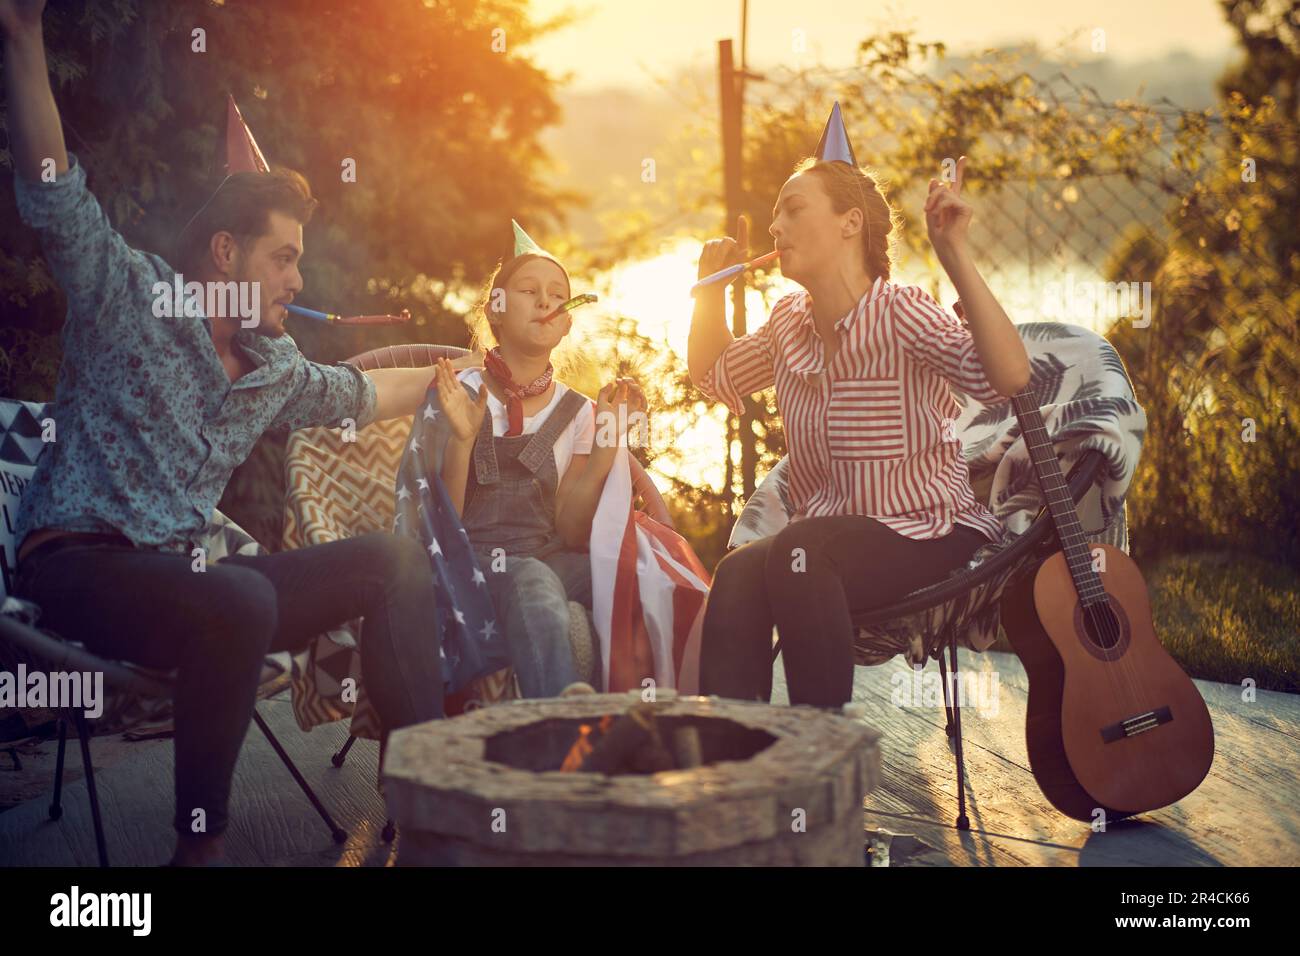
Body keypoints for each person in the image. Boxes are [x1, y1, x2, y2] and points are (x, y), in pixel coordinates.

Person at [3, 0, 479, 865]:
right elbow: (52, 188)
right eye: (283, 258)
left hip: (194, 589)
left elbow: (360, 395)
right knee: (242, 592)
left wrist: (472, 369)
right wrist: (24, 37)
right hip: (80, 565)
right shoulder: (131, 297)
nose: (297, 279)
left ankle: (423, 801)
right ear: (225, 255)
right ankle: (202, 851)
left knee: (391, 559)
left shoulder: (271, 366)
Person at [688, 103, 1032, 709]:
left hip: (927, 531)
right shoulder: (788, 323)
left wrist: (953, 253)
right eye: (775, 215)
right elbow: (715, 376)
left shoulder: (901, 311)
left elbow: (1007, 378)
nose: (775, 228)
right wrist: (708, 295)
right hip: (828, 544)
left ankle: (821, 759)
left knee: (801, 548)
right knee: (741, 571)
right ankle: (732, 760)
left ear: (850, 223)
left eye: (794, 210)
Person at [421, 220, 644, 698]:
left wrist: (606, 451)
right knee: (535, 583)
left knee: (641, 573)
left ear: (566, 324)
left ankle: (643, 724)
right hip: (471, 562)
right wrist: (461, 439)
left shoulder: (580, 411)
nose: (545, 301)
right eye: (528, 290)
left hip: (545, 553)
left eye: (557, 295)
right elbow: (446, 522)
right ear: (495, 311)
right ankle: (558, 734)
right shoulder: (461, 392)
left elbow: (570, 531)